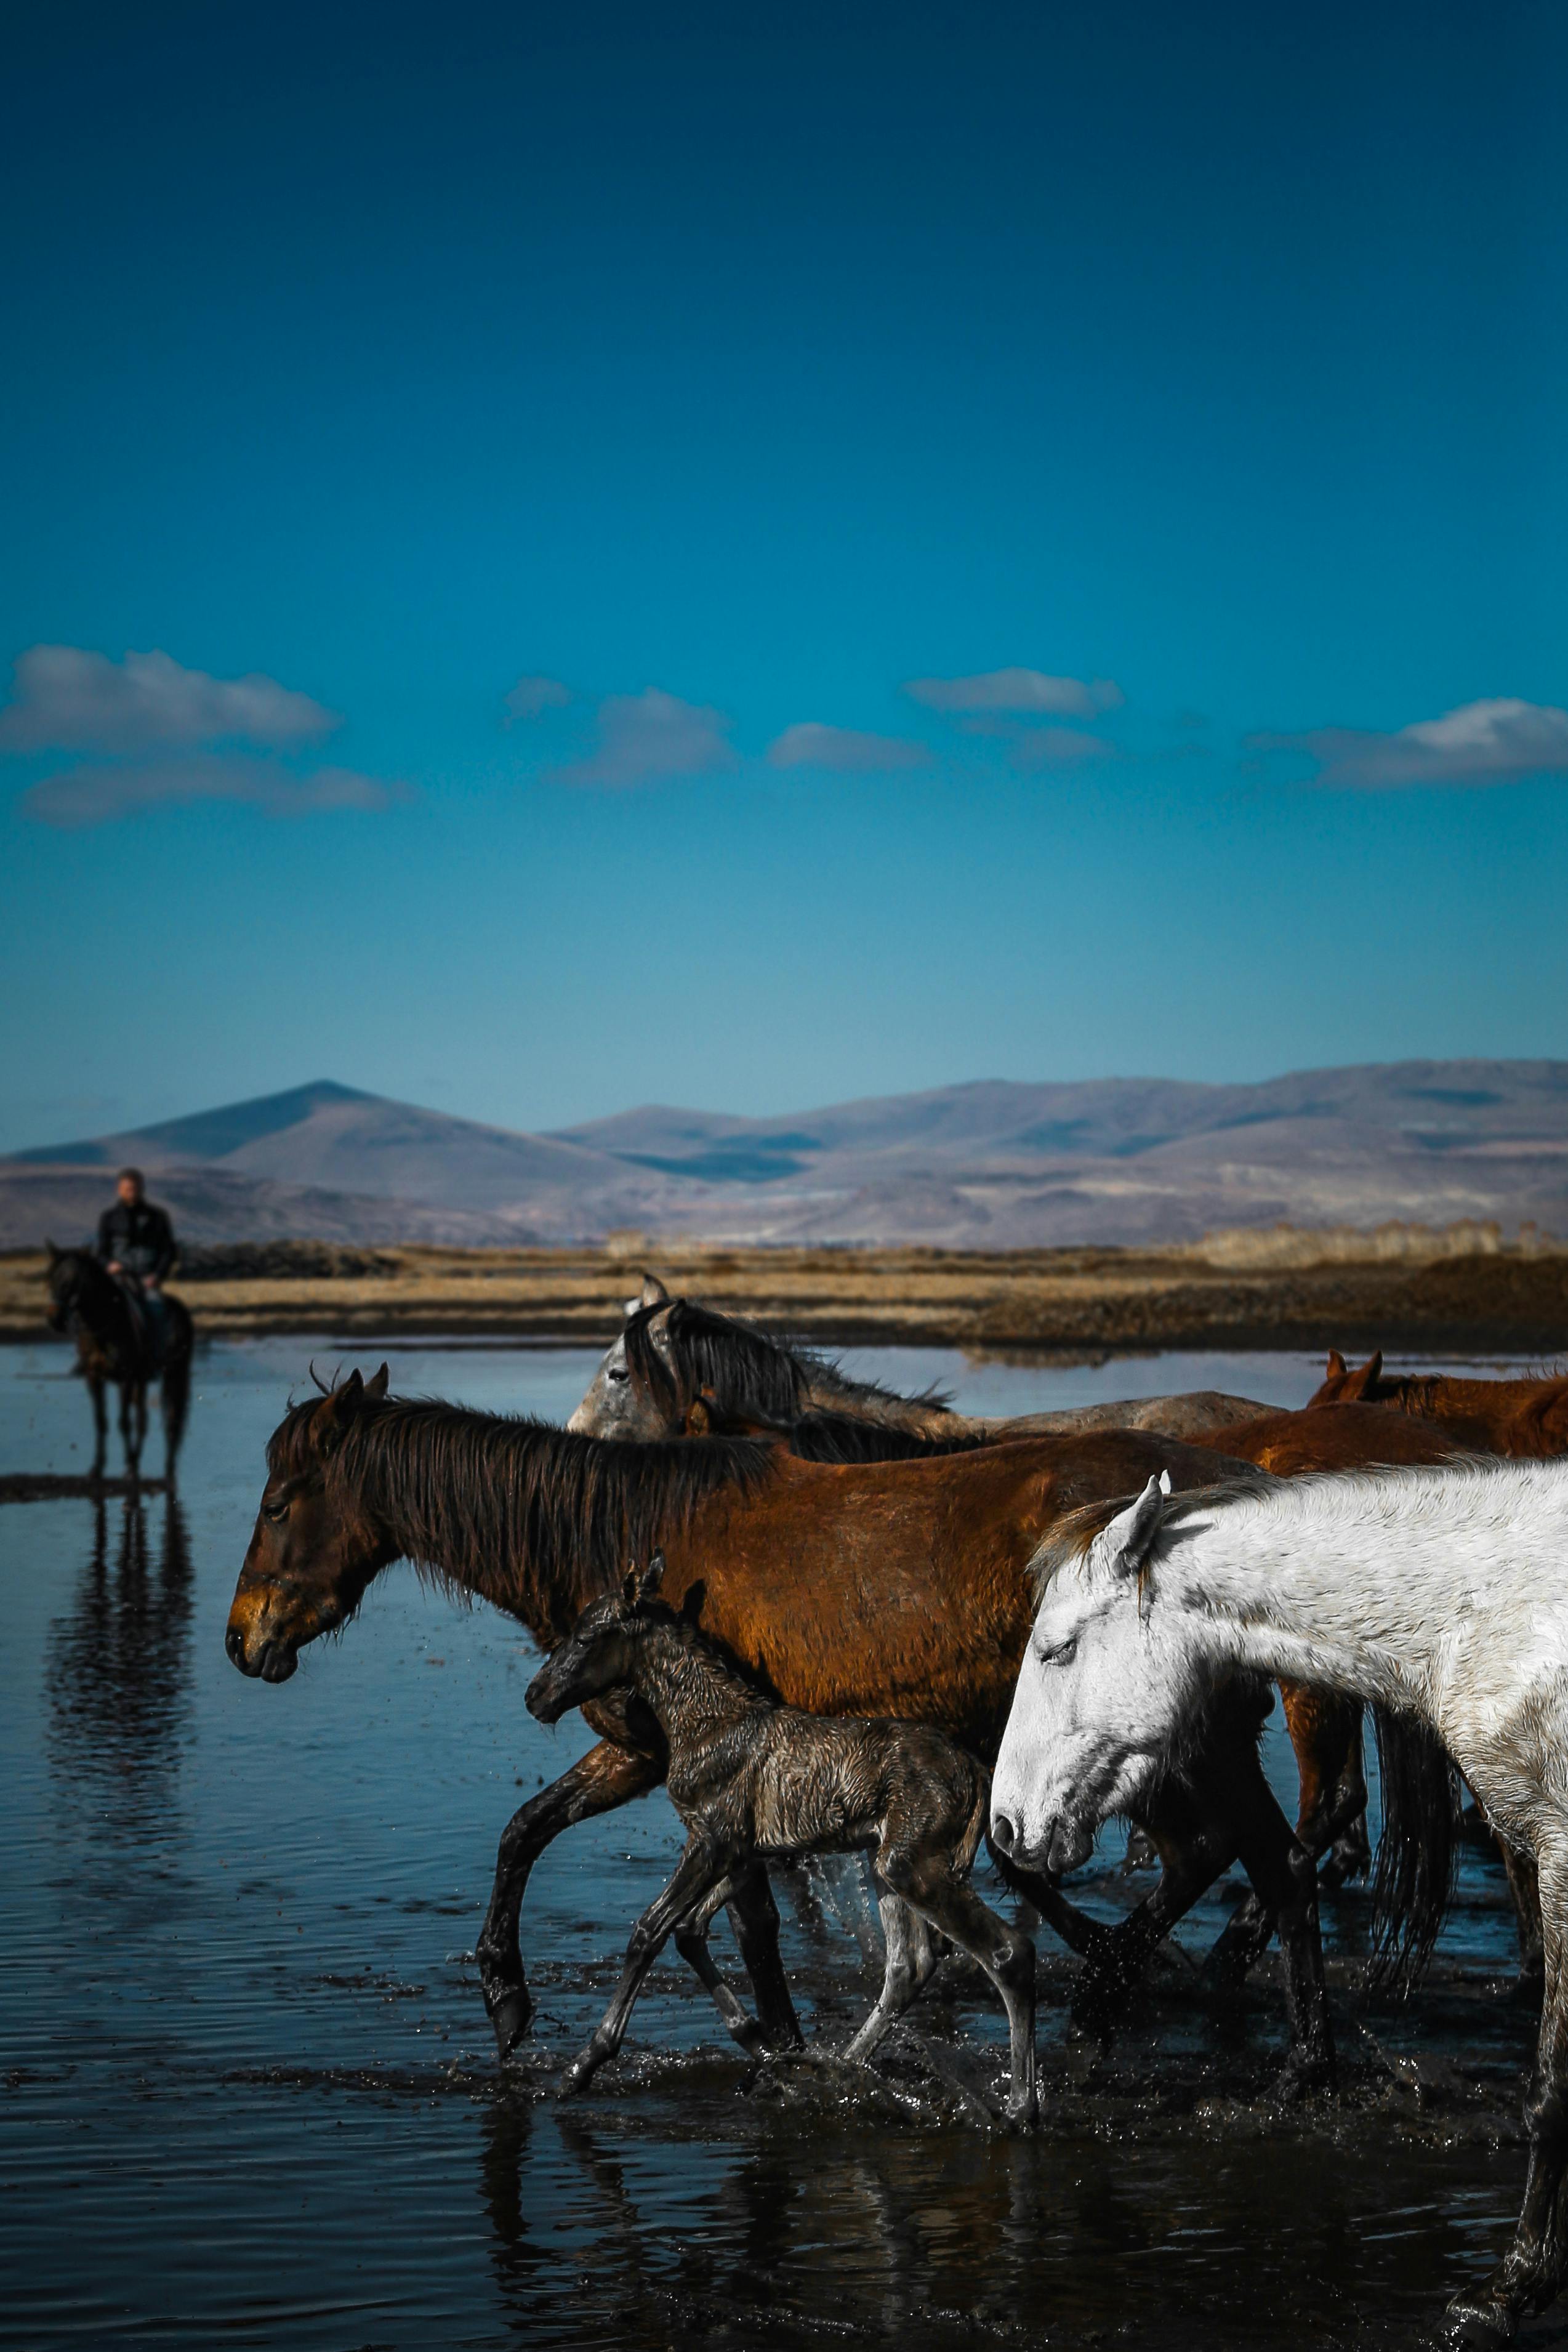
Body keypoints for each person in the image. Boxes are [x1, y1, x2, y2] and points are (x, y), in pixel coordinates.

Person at [96, 1167, 177, 1361]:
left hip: (146, 1280)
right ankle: (94, 1357)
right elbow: (101, 1253)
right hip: (117, 1279)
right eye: (126, 1189)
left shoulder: (157, 1217)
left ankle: (158, 1356)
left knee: (156, 1308)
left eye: (134, 1188)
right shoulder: (109, 1218)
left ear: (142, 1189)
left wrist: (157, 1276)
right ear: (119, 1190)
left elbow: (168, 1251)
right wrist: (109, 1265)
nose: (131, 1192)